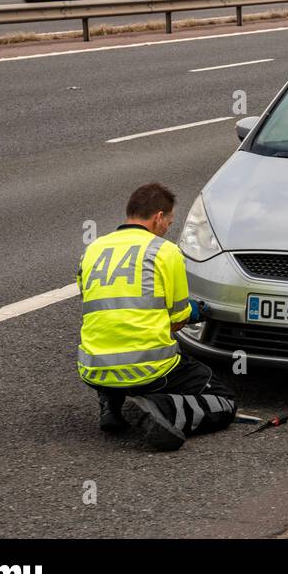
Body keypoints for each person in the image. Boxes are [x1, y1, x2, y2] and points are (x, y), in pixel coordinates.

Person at [77, 183, 236, 451]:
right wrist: (196, 311)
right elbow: (177, 321)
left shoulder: (92, 250)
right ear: (158, 217)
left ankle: (111, 403)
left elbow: (103, 306)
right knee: (224, 401)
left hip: (93, 367)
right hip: (149, 369)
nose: (167, 228)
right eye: (169, 222)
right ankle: (159, 406)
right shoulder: (164, 251)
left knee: (115, 333)